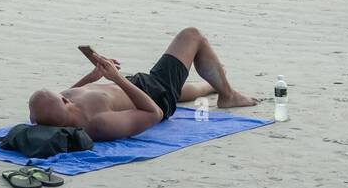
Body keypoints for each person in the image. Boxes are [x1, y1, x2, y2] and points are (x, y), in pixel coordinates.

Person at [26, 28, 257, 141]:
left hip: (138, 84)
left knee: (190, 89)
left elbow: (69, 97)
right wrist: (117, 79)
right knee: (191, 36)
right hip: (156, 94)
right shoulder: (98, 124)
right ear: (65, 103)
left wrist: (93, 77)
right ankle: (228, 95)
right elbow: (154, 113)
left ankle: (215, 84)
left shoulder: (52, 112)